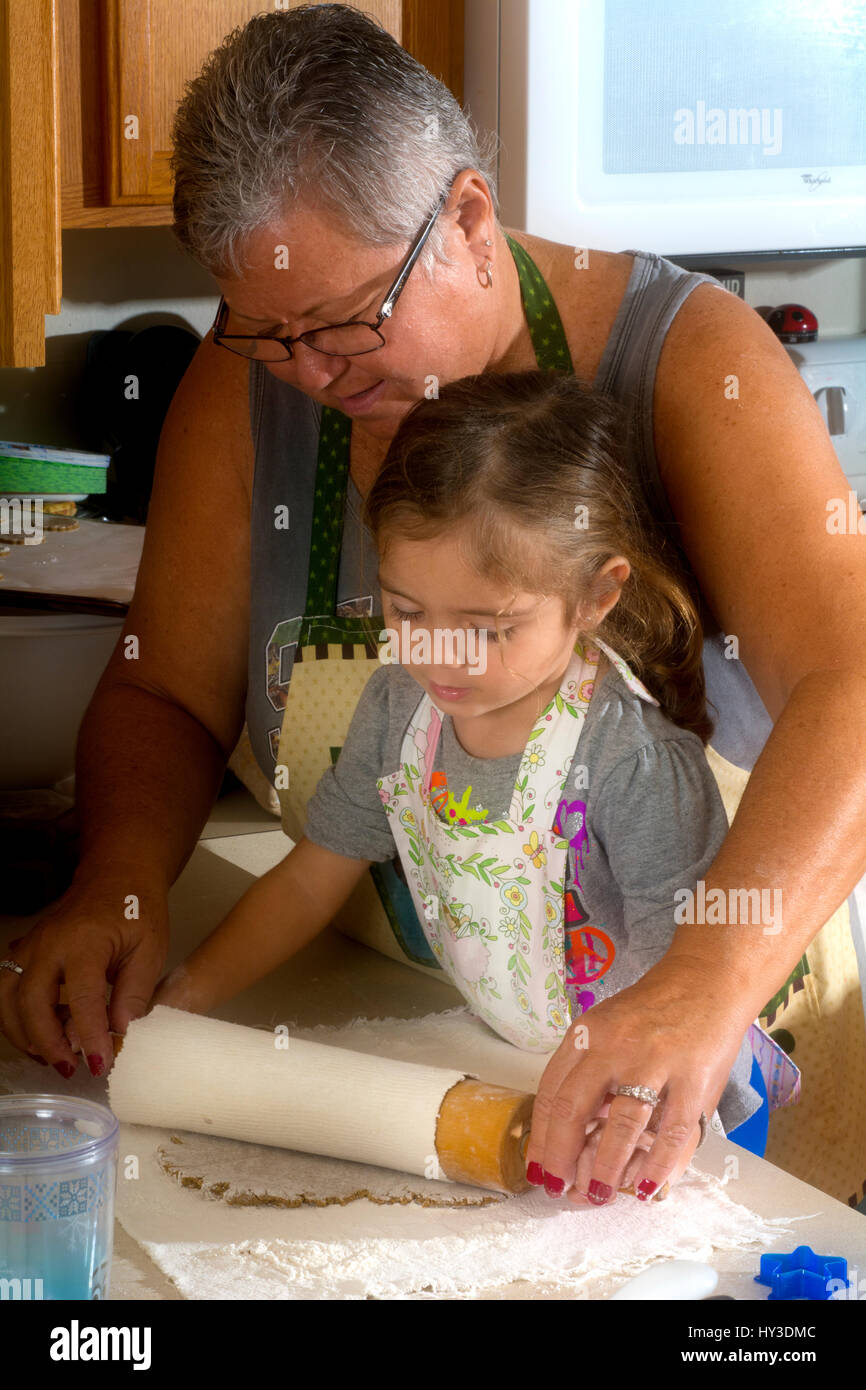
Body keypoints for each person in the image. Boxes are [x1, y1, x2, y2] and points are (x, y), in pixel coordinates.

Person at [2, 4, 865, 1206]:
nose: (310, 374)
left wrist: (701, 980)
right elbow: (163, 687)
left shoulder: (686, 363)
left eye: (351, 322)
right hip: (412, 1015)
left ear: (465, 218)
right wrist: (120, 887)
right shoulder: (243, 380)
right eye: (269, 336)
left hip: (702, 1025)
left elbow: (853, 686)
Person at [152, 369, 791, 1200]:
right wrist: (184, 996)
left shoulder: (630, 765)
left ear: (597, 594)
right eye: (407, 611)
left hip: (671, 1105)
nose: (439, 657)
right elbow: (313, 877)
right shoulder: (397, 708)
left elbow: (686, 996)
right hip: (514, 1060)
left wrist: (637, 1117)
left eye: (489, 629)